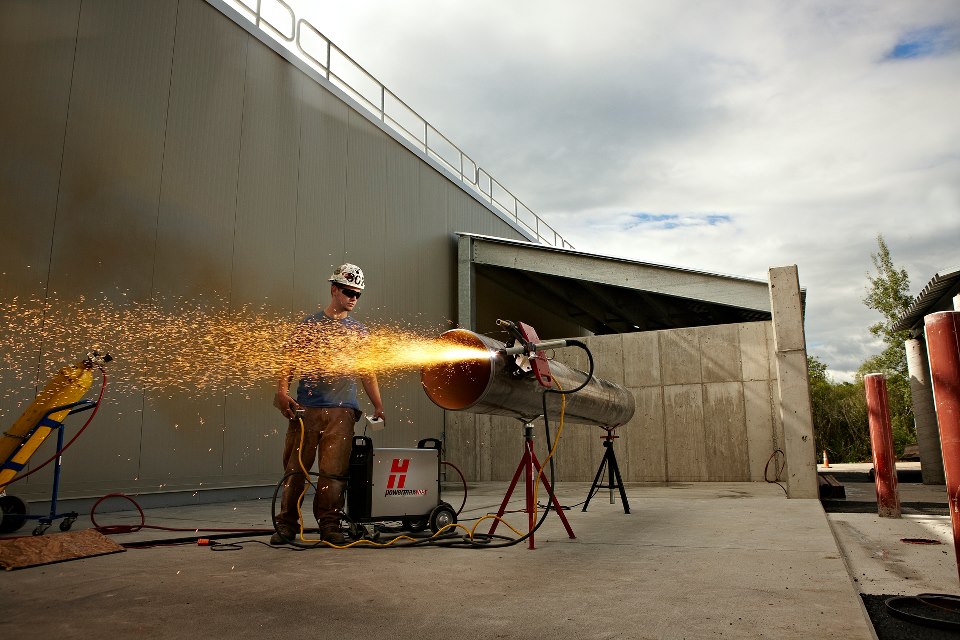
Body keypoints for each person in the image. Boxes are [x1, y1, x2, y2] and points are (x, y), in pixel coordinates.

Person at [272, 263, 385, 545]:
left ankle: (330, 526)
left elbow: (367, 372)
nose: (353, 298)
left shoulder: (359, 332)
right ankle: (286, 525)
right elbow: (288, 362)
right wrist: (282, 391)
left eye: (358, 294)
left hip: (343, 412)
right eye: (348, 292)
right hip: (307, 410)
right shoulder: (309, 326)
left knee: (334, 474)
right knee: (295, 470)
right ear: (334, 289)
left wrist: (378, 405)